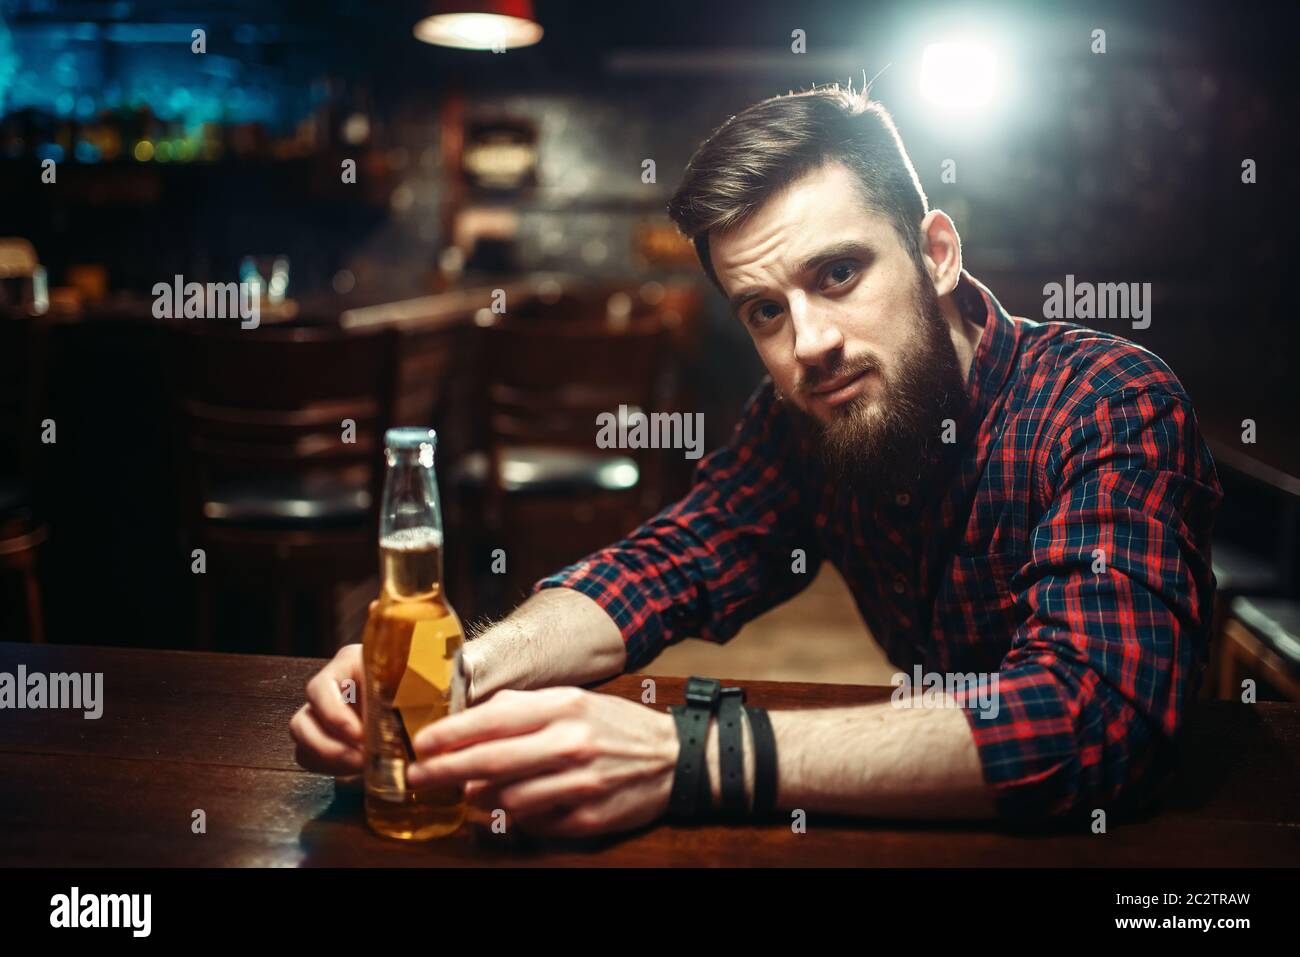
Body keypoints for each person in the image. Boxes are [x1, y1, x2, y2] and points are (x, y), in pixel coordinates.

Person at [290, 86, 1221, 837]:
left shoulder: (1106, 401)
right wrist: (453, 672)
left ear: (935, 254)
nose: (808, 341)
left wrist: (691, 757)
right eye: (764, 310)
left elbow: (1098, 721)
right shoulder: (806, 420)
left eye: (839, 274)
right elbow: (667, 565)